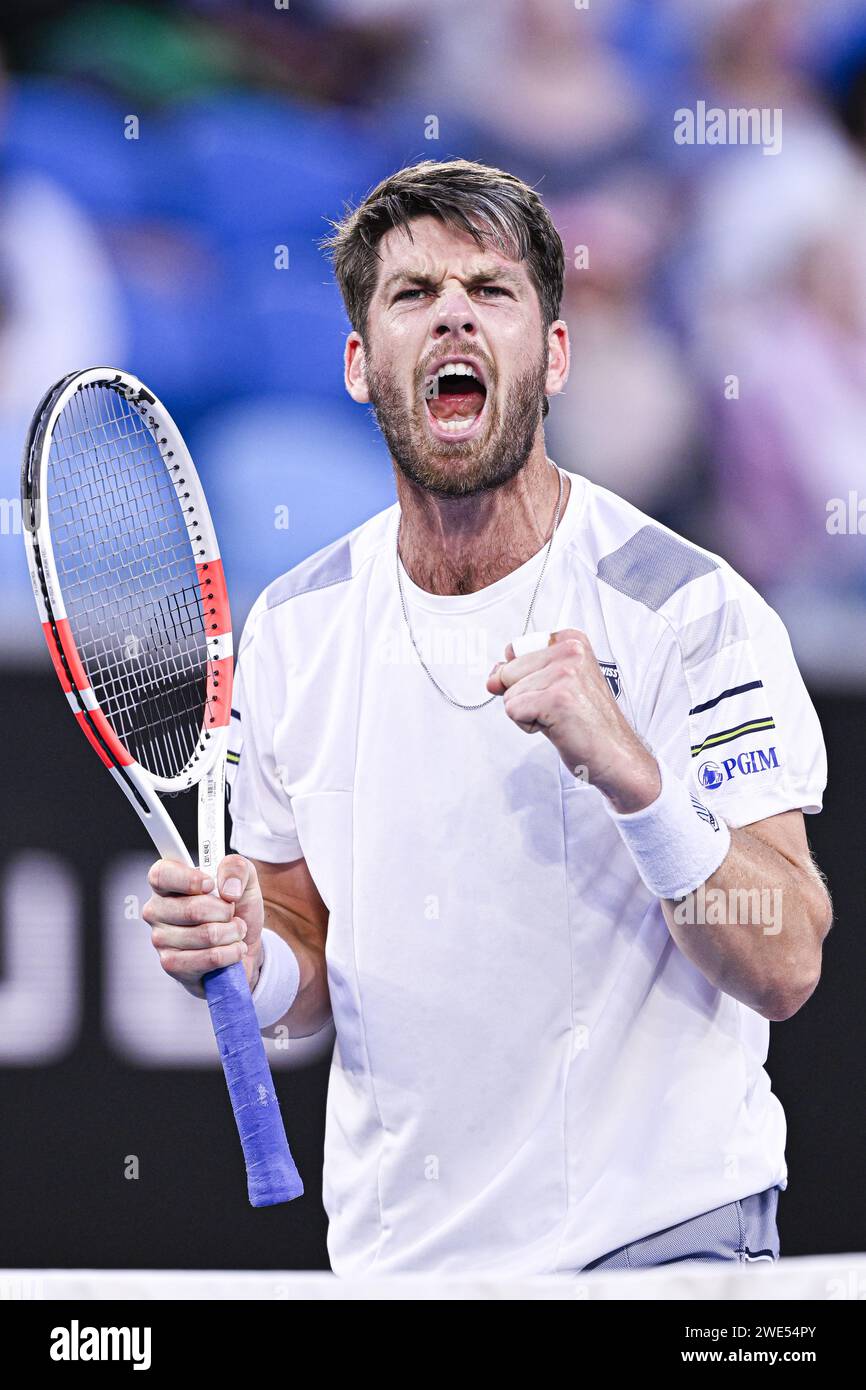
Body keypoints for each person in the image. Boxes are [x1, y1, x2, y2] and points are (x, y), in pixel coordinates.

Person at [142, 159, 831, 1277]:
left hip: (656, 1248)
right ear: (362, 368)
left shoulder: (690, 609)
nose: (452, 310)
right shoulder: (294, 626)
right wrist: (246, 956)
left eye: (491, 289)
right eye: (411, 294)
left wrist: (635, 780)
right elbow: (301, 957)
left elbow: (784, 958)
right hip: (398, 1262)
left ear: (552, 354)